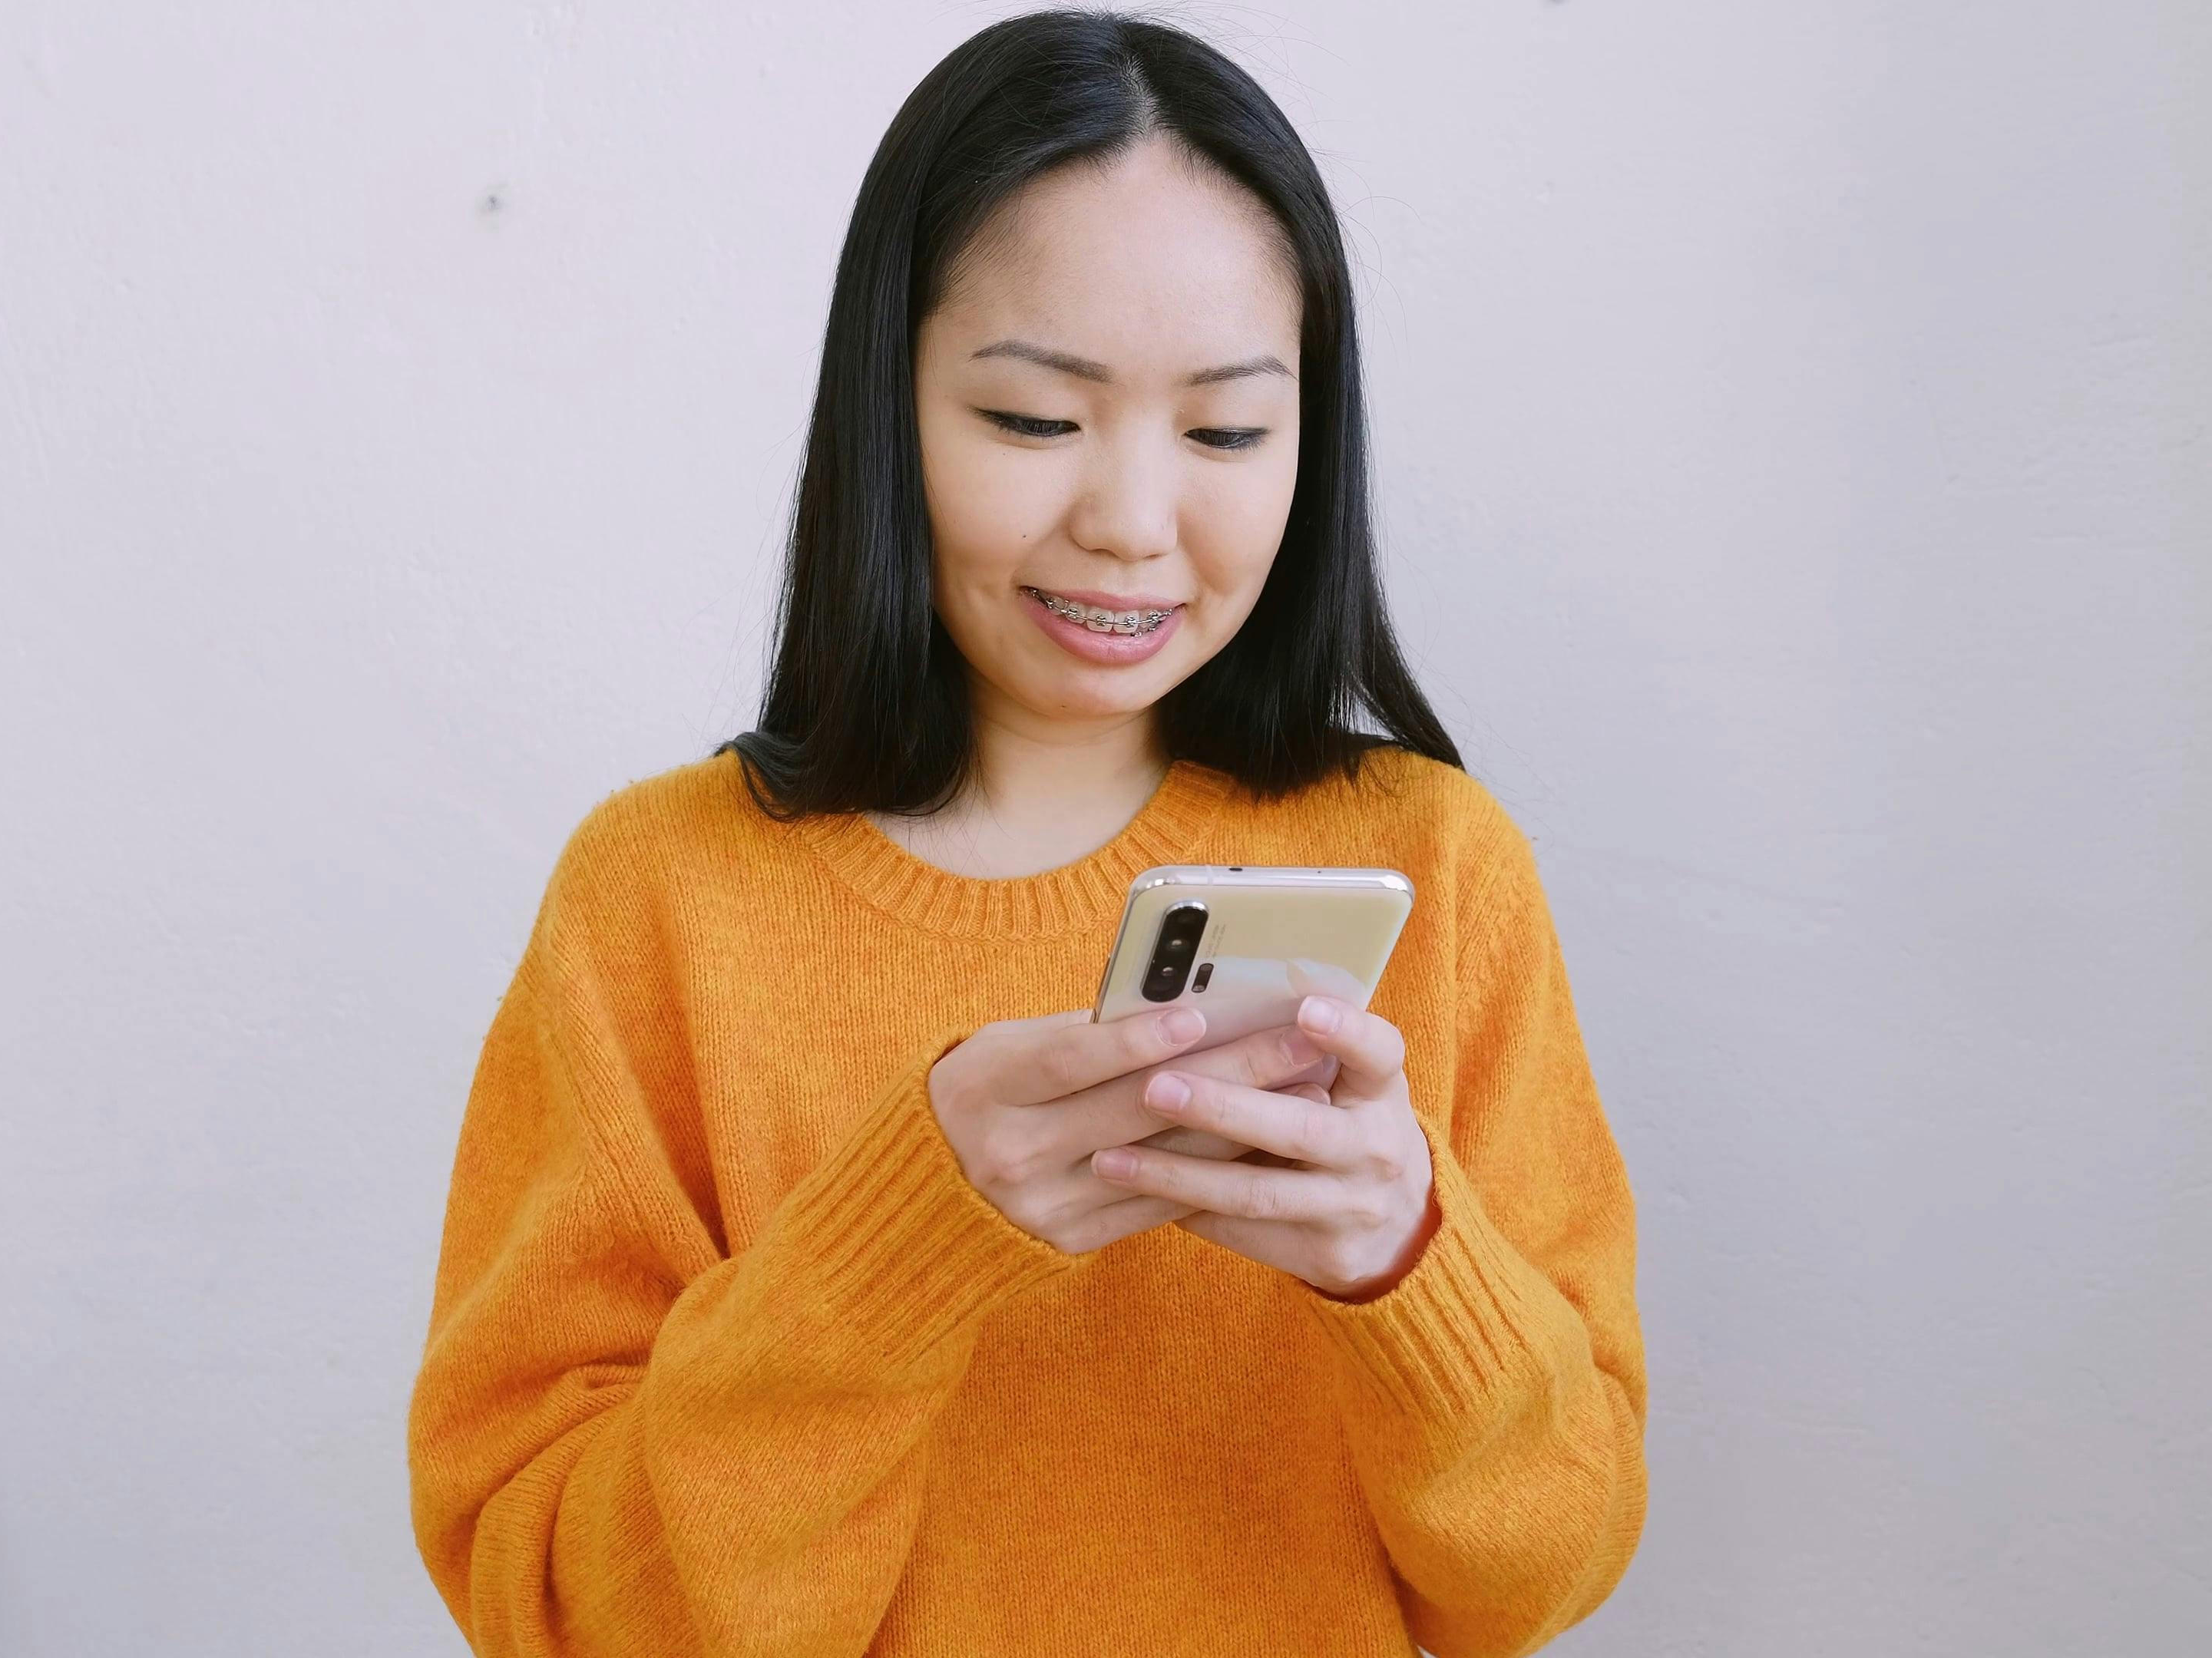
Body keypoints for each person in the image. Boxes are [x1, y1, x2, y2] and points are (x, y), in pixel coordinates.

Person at [405, 11, 1645, 1653]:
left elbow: (1543, 1577)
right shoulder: (660, 900)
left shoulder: (1440, 869)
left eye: (1223, 431)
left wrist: (1408, 1264)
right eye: (1034, 422)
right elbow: (557, 1611)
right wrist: (892, 1249)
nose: (1132, 521)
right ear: (890, 406)